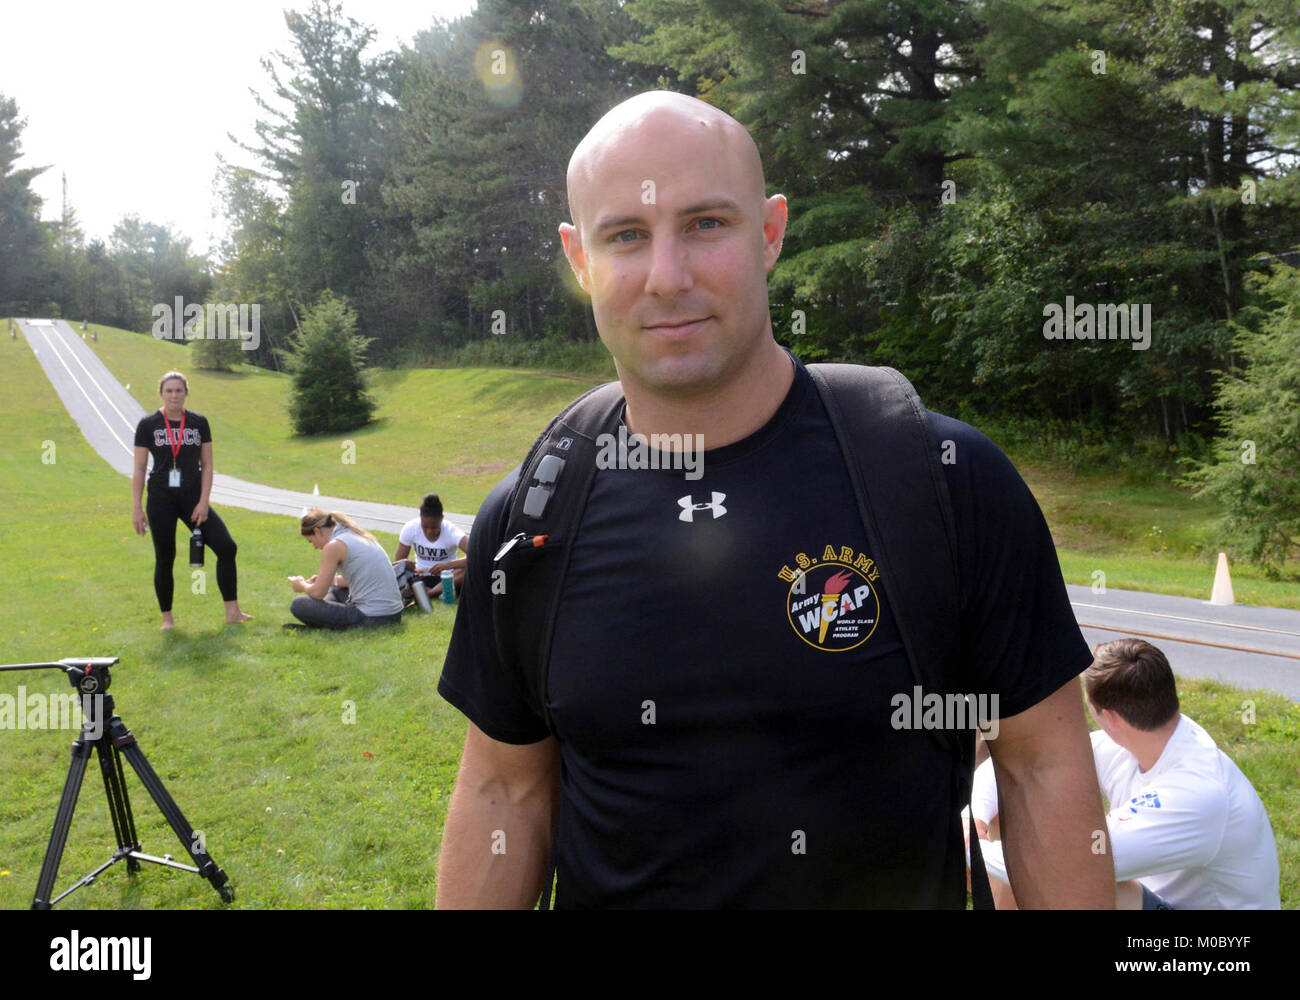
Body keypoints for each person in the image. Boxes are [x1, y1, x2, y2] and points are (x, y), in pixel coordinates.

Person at [435, 91, 1112, 909]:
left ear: (770, 233)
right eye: (626, 237)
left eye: (706, 225)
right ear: (580, 261)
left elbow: (1042, 767)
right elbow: (504, 792)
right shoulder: (532, 521)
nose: (667, 277)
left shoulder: (943, 479)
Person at [970, 638, 1281, 909]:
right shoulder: (1141, 742)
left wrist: (971, 854)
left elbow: (1074, 861)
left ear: (1110, 717)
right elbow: (1027, 764)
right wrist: (975, 820)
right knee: (1018, 801)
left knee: (1086, 884)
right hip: (1153, 898)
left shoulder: (1198, 792)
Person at [132, 370, 252, 629]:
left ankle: (233, 612)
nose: (174, 395)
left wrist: (203, 501)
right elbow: (140, 469)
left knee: (226, 547)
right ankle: (167, 619)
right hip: (161, 498)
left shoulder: (199, 423)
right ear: (161, 393)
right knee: (165, 557)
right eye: (169, 391)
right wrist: (136, 508)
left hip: (193, 498)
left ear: (186, 392)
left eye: (179, 390)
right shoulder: (148, 424)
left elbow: (207, 465)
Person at [289, 508, 404, 629]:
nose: (315, 547)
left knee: (299, 604)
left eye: (311, 541)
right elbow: (361, 578)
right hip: (394, 614)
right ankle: (327, 623)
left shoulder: (334, 546)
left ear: (317, 531)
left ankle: (324, 626)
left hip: (372, 617)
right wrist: (328, 581)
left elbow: (318, 593)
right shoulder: (356, 534)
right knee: (333, 590)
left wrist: (301, 585)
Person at [393, 493, 469, 600]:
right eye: (425, 527)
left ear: (441, 519)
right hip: (421, 577)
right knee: (398, 576)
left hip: (448, 577)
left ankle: (430, 593)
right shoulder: (410, 528)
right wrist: (408, 565)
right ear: (420, 518)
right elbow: (399, 564)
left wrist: (448, 565)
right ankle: (435, 592)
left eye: (434, 528)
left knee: (468, 570)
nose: (429, 532)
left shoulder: (452, 531)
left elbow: (476, 556)